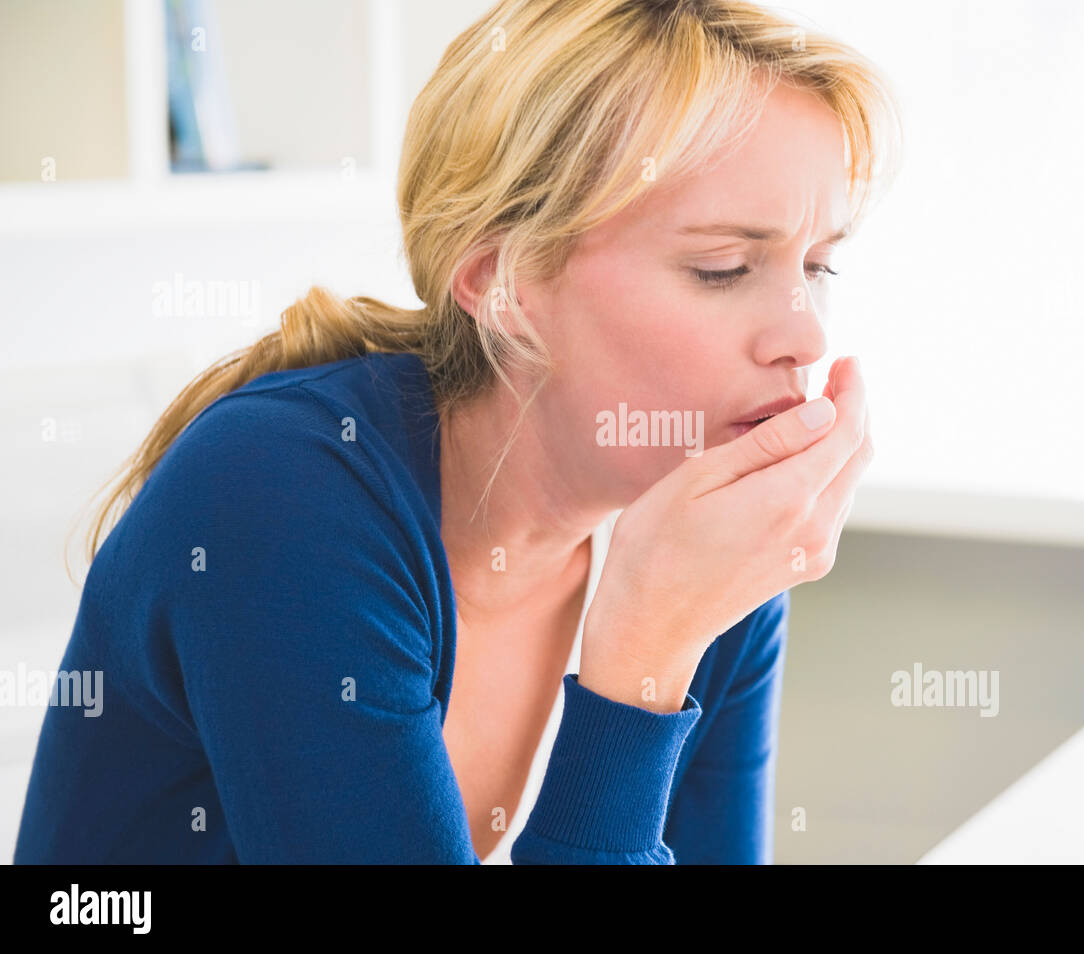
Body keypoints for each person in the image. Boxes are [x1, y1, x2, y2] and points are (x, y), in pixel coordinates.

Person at [14, 0, 893, 864]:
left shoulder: (709, 550)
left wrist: (662, 636)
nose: (807, 334)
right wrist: (641, 668)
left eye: (818, 265)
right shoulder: (280, 497)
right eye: (723, 269)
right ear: (503, 288)